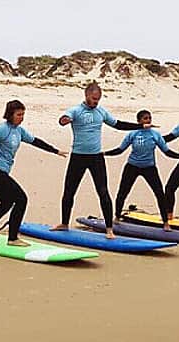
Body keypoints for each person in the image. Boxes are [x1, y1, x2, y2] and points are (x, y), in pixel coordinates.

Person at [0, 100, 66, 245]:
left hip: (0, 172)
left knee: (6, 203)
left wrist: (56, 151)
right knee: (21, 199)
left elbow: (36, 141)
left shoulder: (19, 131)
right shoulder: (3, 128)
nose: (21, 117)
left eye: (23, 114)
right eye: (18, 114)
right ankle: (12, 238)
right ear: (10, 114)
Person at [54, 82, 141, 237]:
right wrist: (64, 120)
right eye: (94, 99)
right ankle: (64, 223)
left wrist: (140, 126)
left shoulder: (101, 112)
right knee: (69, 191)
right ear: (86, 95)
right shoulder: (75, 110)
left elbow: (118, 125)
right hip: (78, 157)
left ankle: (109, 229)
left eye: (98, 99)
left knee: (103, 192)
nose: (96, 102)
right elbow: (62, 119)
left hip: (96, 157)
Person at [104, 109, 179, 230]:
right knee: (122, 193)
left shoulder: (155, 135)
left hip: (149, 168)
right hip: (132, 166)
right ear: (139, 121)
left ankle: (165, 222)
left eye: (149, 118)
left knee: (160, 194)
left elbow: (167, 152)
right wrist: (104, 153)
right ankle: (117, 217)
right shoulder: (132, 134)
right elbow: (120, 150)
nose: (148, 120)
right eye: (145, 118)